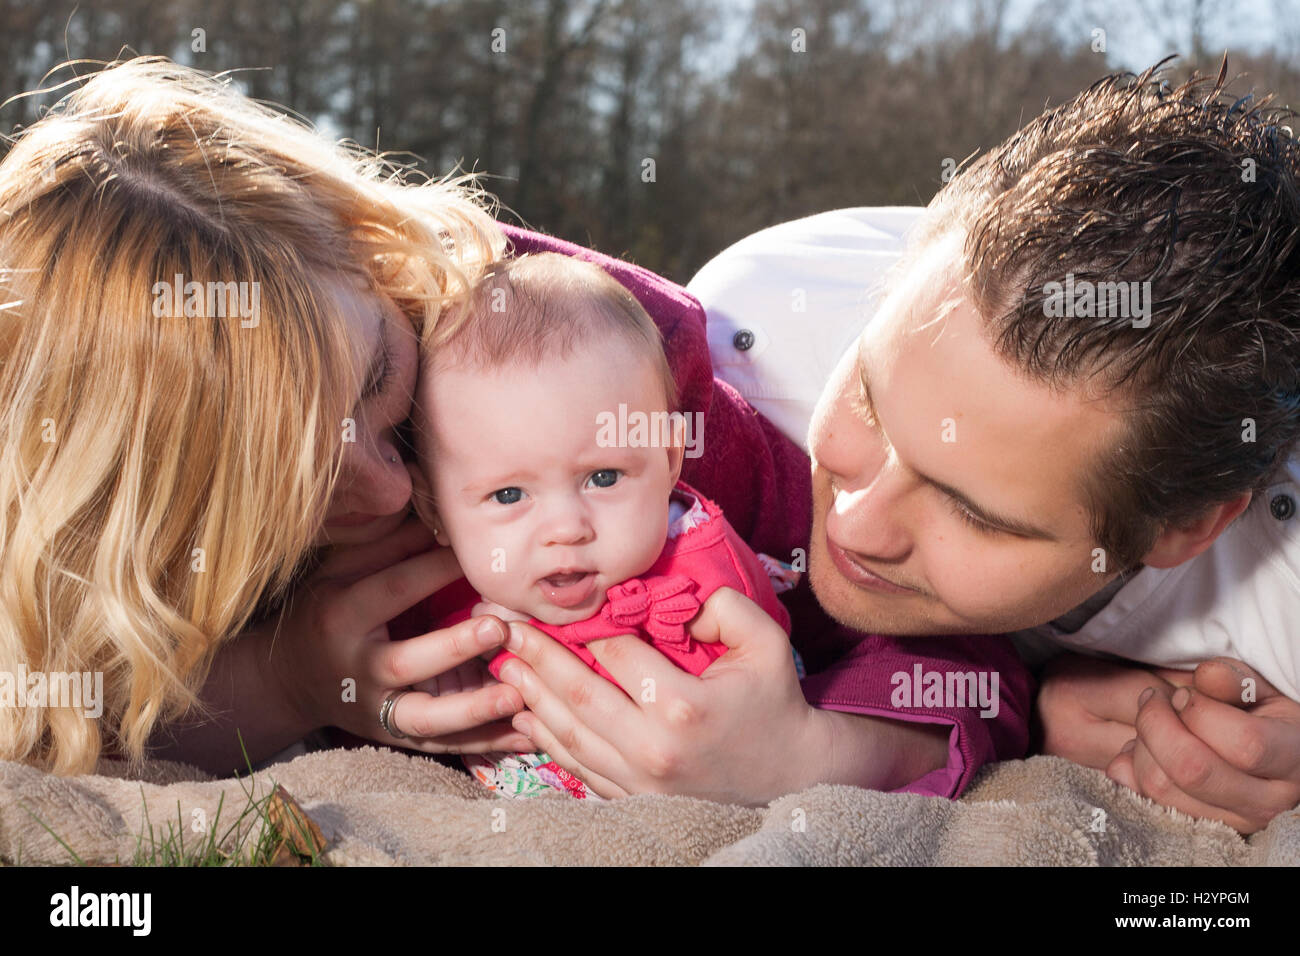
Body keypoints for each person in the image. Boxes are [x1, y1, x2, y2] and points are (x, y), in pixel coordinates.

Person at [0, 57, 1033, 807]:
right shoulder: (68, 521)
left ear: (368, 247)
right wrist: (285, 678)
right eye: (284, 496)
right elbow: (63, 709)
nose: (384, 491)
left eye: (379, 384)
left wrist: (812, 757)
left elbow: (954, 646)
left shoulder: (574, 367)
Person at [670, 60, 1300, 833]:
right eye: (869, 398)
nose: (856, 525)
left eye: (976, 515)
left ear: (1187, 528)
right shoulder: (753, 327)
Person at [404, 252, 799, 798]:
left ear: (669, 459)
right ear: (434, 512)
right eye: (509, 494)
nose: (566, 528)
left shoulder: (706, 576)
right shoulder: (445, 589)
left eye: (604, 477)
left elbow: (764, 712)